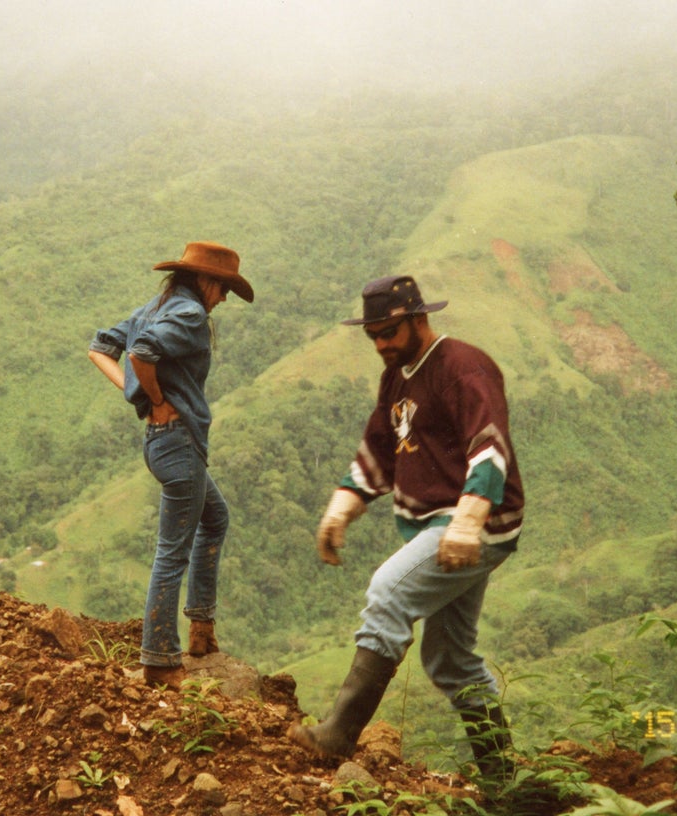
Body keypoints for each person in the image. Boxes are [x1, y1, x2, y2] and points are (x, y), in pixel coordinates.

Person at [288, 274, 524, 780]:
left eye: (389, 332)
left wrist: (469, 518)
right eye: (373, 334)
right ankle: (508, 782)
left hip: (471, 523)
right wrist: (344, 503)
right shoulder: (398, 375)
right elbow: (381, 443)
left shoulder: (463, 367)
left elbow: (490, 445)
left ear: (419, 319)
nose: (380, 344)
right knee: (450, 660)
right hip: (438, 524)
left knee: (387, 594)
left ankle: (337, 736)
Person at [87, 241, 254, 688]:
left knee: (215, 518)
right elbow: (141, 353)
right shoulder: (189, 313)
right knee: (171, 551)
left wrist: (134, 395)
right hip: (178, 443)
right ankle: (160, 660)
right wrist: (154, 398)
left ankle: (200, 628)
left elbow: (100, 347)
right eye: (223, 290)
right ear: (208, 281)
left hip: (165, 442)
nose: (223, 300)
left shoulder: (157, 305)